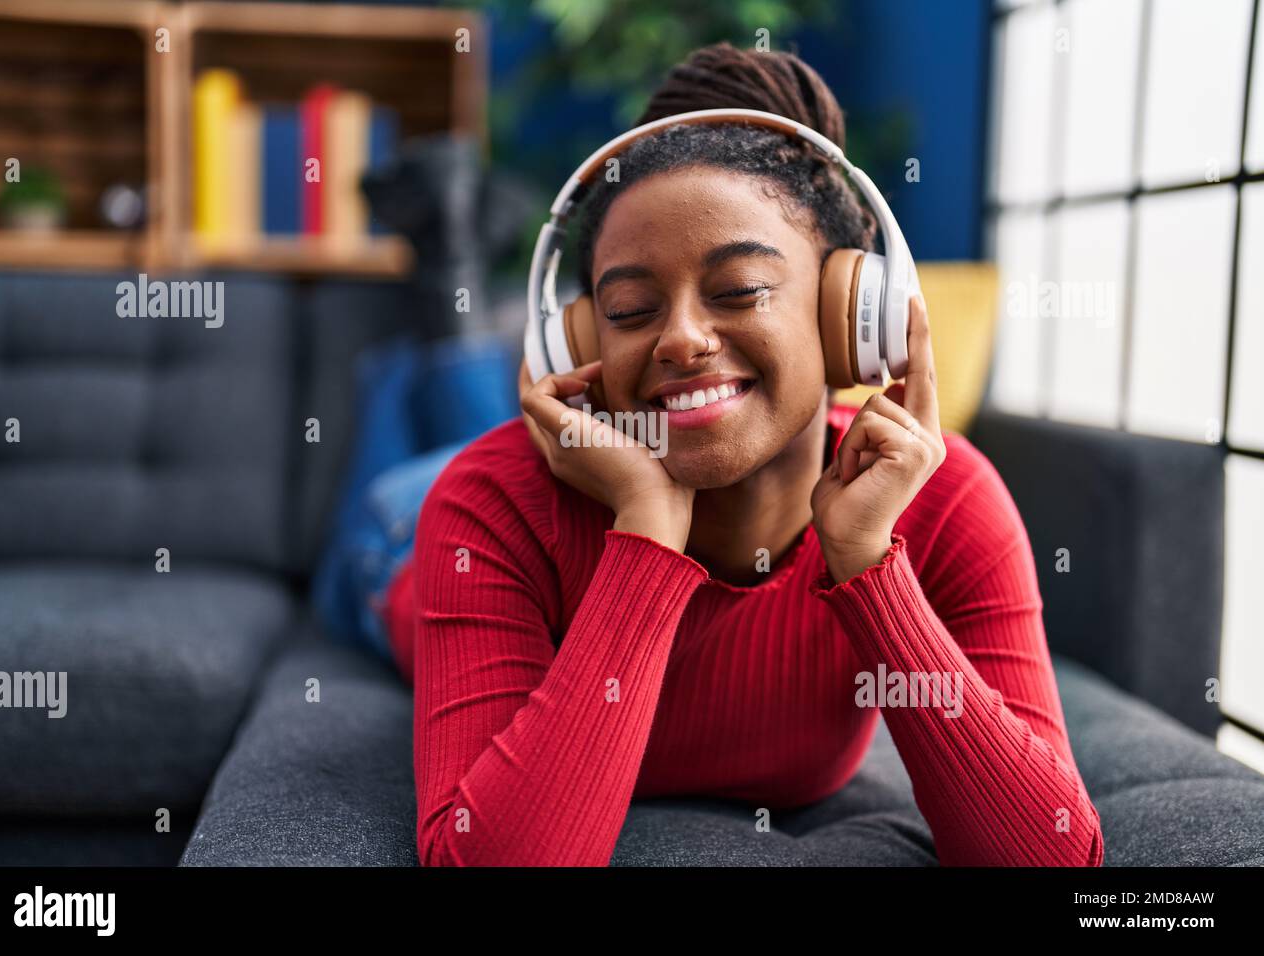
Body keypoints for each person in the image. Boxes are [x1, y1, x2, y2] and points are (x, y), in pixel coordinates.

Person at [382, 41, 1105, 867]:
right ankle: (442, 296)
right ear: (575, 339)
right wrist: (648, 525)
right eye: (627, 309)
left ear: (850, 319)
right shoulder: (489, 502)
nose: (683, 338)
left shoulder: (947, 499)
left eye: (739, 292)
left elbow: (1051, 859)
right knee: (430, 456)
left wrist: (867, 562)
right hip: (395, 546)